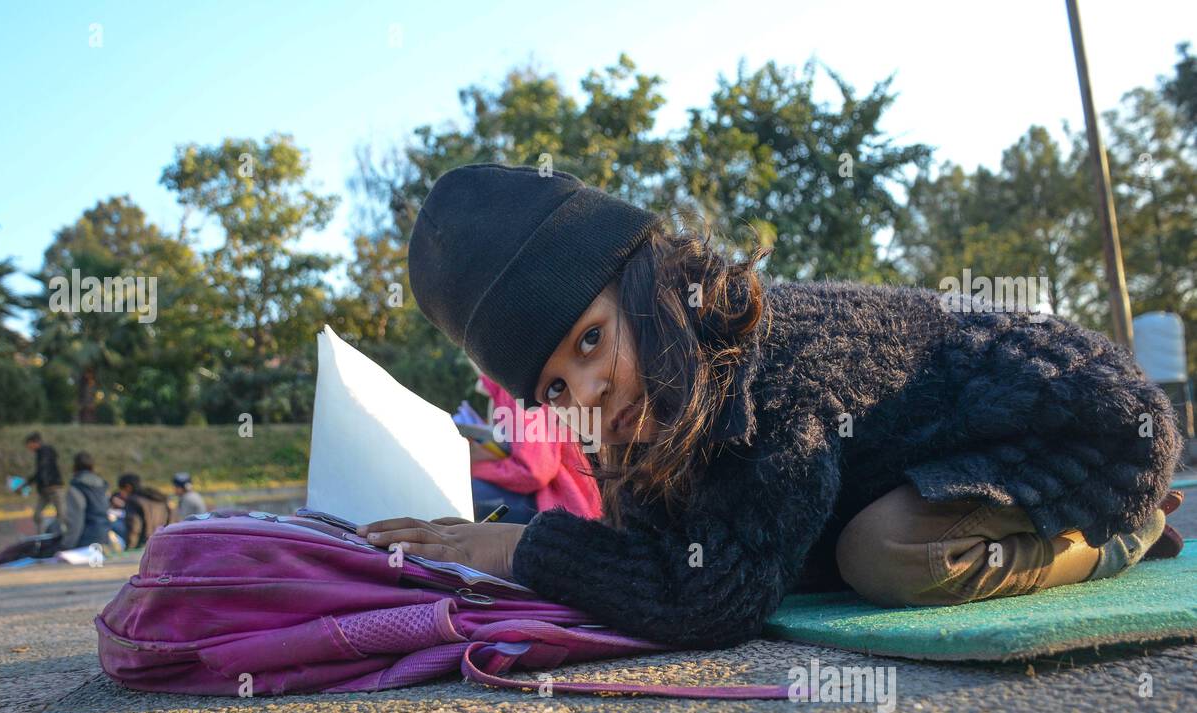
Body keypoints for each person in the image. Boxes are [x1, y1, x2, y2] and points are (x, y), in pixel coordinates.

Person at [352, 162, 1185, 649]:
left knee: (882, 555)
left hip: (1069, 416)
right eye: (557, 388)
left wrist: (518, 551)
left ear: (645, 289)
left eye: (593, 340)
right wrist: (527, 534)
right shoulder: (656, 419)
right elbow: (657, 553)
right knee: (832, 554)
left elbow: (715, 600)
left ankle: (1114, 536)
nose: (590, 390)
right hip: (937, 459)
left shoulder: (771, 377)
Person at [468, 372, 601, 524]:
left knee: (464, 489)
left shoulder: (511, 388)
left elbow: (534, 472)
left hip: (565, 509)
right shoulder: (515, 384)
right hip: (577, 505)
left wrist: (472, 468)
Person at [60, 452, 111, 550]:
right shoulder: (103, 486)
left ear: (74, 467)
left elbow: (76, 521)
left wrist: (67, 545)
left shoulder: (76, 488)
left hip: (86, 542)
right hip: (104, 538)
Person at [17, 432, 64, 533]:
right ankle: (42, 535)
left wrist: (27, 484)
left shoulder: (45, 451)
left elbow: (42, 471)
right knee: (37, 515)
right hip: (45, 490)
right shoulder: (41, 453)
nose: (29, 448)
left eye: (29, 445)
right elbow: (39, 472)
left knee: (61, 515)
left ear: (34, 443)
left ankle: (61, 534)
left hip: (53, 488)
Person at [112, 473, 172, 548]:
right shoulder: (159, 498)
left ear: (128, 487)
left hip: (144, 542)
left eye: (121, 490)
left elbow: (134, 527)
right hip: (163, 540)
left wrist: (130, 547)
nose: (121, 494)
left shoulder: (133, 501)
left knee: (113, 523)